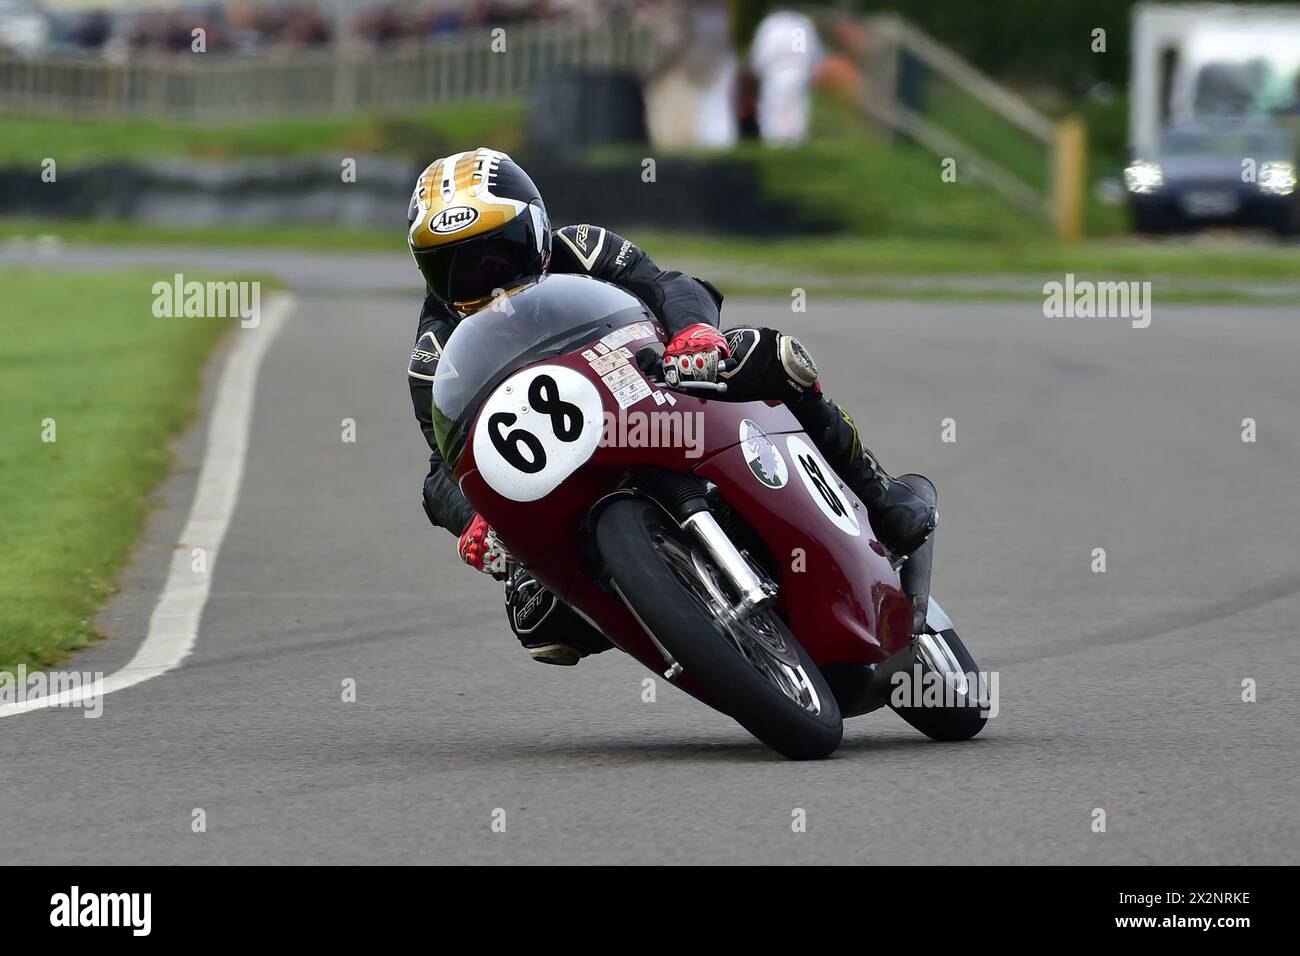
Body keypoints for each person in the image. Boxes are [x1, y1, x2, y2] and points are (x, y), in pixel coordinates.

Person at [407, 148, 935, 665]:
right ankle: (669, 612)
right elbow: (442, 469)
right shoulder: (435, 357)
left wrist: (692, 332)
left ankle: (877, 491)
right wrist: (473, 519)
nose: (489, 279)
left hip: (657, 388)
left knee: (773, 356)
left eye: (501, 249)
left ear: (538, 232)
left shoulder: (584, 248)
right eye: (457, 268)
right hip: (558, 469)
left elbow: (668, 286)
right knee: (540, 620)